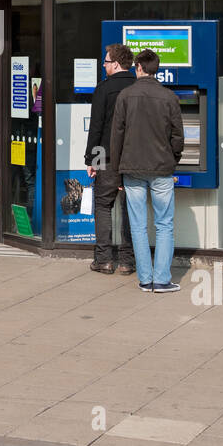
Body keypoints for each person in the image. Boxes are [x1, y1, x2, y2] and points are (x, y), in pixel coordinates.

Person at [109, 49, 184, 293]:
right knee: (164, 224)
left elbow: (116, 136)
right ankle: (161, 280)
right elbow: (177, 136)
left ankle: (145, 279)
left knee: (138, 225)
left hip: (132, 168)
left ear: (139, 67)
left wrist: (117, 170)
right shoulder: (169, 97)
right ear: (156, 69)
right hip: (162, 168)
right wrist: (173, 159)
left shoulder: (125, 95)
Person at [85, 43, 137, 275]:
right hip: (134, 158)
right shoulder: (138, 86)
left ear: (115, 63)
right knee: (130, 208)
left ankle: (104, 260)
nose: (104, 65)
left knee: (103, 205)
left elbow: (96, 127)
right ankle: (127, 261)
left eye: (106, 61)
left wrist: (91, 160)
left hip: (106, 157)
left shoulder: (103, 89)